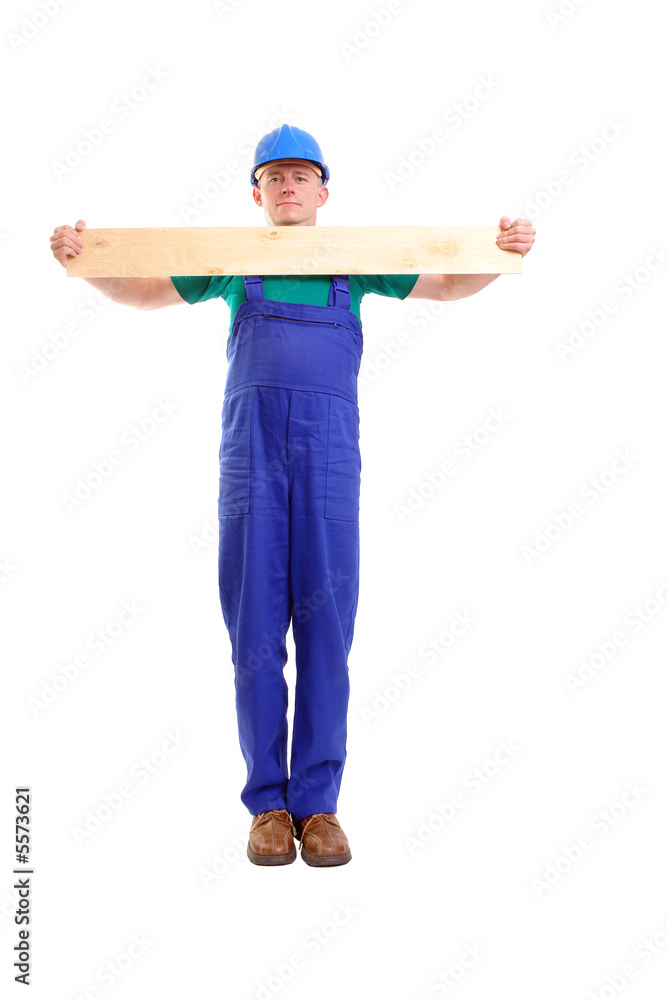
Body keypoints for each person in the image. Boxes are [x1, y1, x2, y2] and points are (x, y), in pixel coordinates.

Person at [50, 124, 535, 868]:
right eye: (272, 177)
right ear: (256, 194)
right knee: (253, 633)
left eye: (300, 176)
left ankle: (320, 805)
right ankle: (268, 808)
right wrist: (85, 264)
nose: (287, 186)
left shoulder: (355, 265)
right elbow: (143, 291)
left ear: (323, 192)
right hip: (252, 464)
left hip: (329, 463)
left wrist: (500, 255)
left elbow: (446, 282)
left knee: (327, 632)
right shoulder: (233, 266)